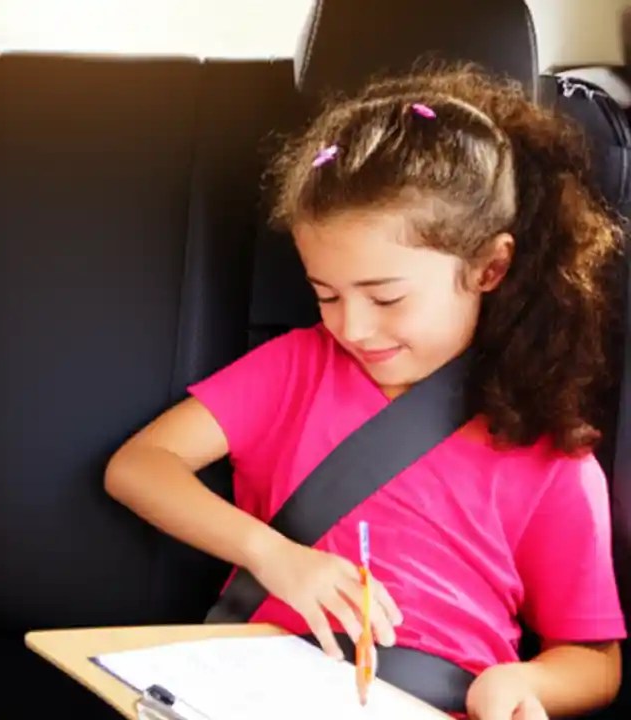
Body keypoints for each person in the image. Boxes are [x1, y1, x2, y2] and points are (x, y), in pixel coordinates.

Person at [105, 65, 626, 720]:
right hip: (253, 688)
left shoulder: (549, 450)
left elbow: (593, 657)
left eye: (386, 296)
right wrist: (273, 557)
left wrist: (524, 685)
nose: (350, 325)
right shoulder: (298, 368)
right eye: (326, 294)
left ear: (490, 267)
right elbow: (139, 467)